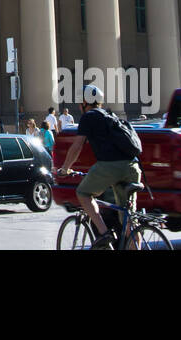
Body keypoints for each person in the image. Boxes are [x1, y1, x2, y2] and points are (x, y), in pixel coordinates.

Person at [59, 84, 142, 250]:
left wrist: (65, 169)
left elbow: (77, 146)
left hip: (110, 166)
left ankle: (104, 233)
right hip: (133, 167)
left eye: (80, 102)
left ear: (85, 102)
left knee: (83, 193)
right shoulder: (110, 115)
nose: (78, 105)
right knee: (128, 220)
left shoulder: (89, 117)